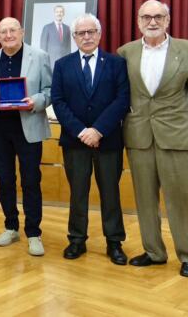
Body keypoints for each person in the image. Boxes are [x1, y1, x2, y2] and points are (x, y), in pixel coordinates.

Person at [118, 0, 188, 278]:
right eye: (146, 17)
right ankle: (154, 252)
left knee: (181, 199)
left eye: (158, 16)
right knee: (145, 199)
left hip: (176, 137)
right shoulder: (125, 53)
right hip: (139, 137)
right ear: (138, 21)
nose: (152, 22)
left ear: (168, 20)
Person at [50, 13, 130, 264]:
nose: (86, 37)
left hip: (108, 141)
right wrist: (82, 131)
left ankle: (114, 242)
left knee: (110, 192)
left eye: (91, 32)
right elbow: (58, 102)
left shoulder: (116, 64)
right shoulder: (62, 65)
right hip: (75, 142)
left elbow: (122, 100)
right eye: (81, 33)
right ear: (73, 38)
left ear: (99, 34)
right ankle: (76, 239)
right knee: (78, 193)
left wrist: (98, 130)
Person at [0, 17, 52, 256]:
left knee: (31, 181)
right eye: (4, 31)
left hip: (28, 127)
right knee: (4, 180)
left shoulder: (39, 56)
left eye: (13, 30)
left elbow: (50, 91)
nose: (9, 35)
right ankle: (11, 226)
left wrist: (36, 101)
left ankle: (34, 232)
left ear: (22, 32)